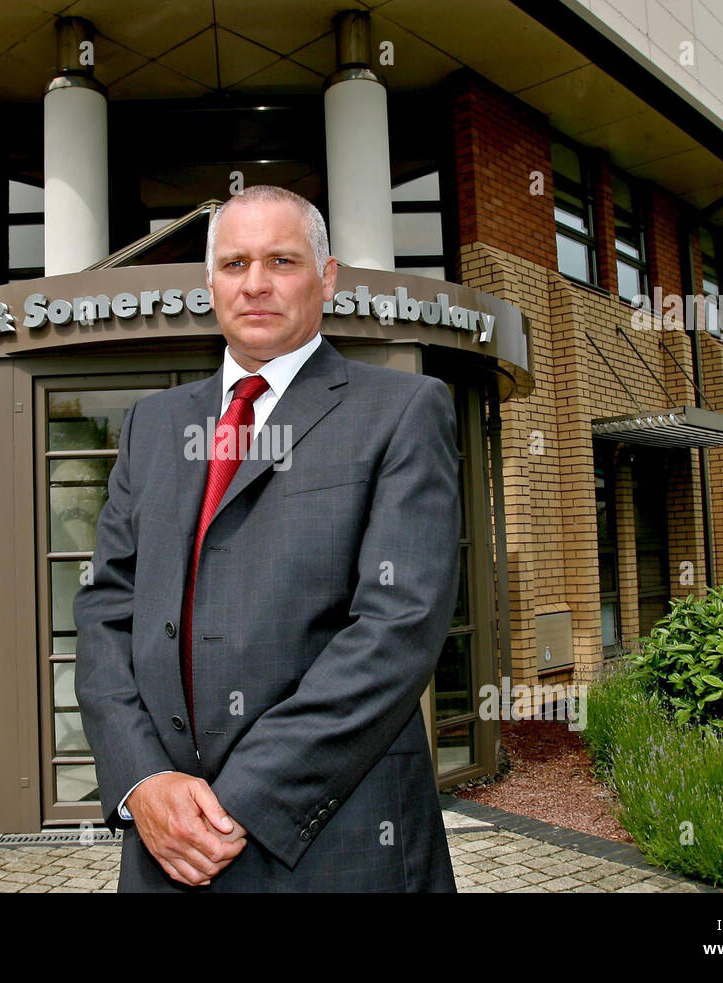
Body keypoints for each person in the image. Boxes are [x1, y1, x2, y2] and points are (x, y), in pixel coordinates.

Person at [73, 184, 462, 891]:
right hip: (166, 848)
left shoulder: (402, 411)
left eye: (282, 260)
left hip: (339, 844)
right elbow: (105, 610)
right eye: (233, 263)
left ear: (328, 277)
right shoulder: (151, 425)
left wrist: (240, 798)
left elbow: (396, 629)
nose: (255, 284)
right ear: (210, 282)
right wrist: (143, 779)